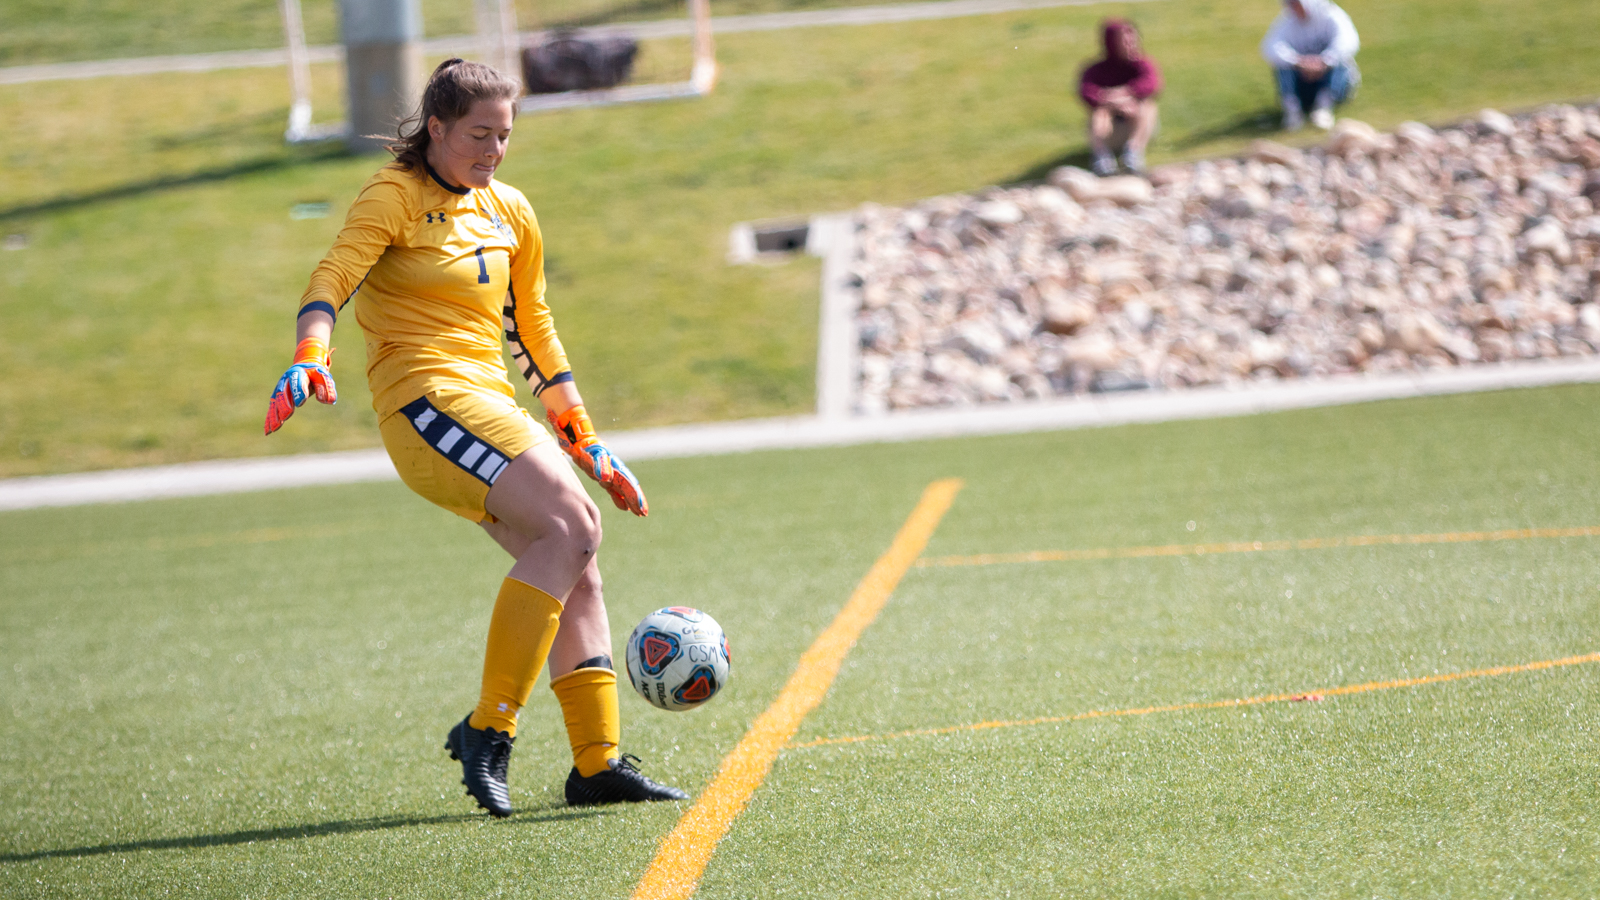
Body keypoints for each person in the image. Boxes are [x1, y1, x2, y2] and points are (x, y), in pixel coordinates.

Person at [262, 58, 685, 817]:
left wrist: (587, 443)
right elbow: (330, 281)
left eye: (505, 136)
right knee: (570, 525)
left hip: (487, 402)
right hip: (422, 402)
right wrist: (308, 356)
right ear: (436, 129)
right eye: (478, 135)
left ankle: (596, 764)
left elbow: (533, 332)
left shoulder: (511, 211)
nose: (493, 151)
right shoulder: (393, 195)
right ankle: (487, 730)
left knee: (572, 555)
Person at [1077, 18, 1163, 177]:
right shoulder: (1096, 69)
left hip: (1136, 122)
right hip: (1110, 127)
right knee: (1099, 112)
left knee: (1147, 105)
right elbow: (1087, 92)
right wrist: (1113, 102)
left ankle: (1133, 152)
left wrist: (1125, 95)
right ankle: (1102, 156)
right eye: (1124, 41)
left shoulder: (1142, 64)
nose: (1129, 44)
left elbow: (1151, 84)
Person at [1260, 0, 1360, 131]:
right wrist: (1299, 62)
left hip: (1331, 80)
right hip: (1303, 81)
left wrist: (1324, 61)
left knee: (1341, 61)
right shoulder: (1286, 21)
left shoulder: (1331, 15)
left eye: (1297, 3)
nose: (1294, 7)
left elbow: (1348, 41)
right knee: (1282, 65)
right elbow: (1270, 47)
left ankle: (1324, 108)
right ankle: (1293, 111)